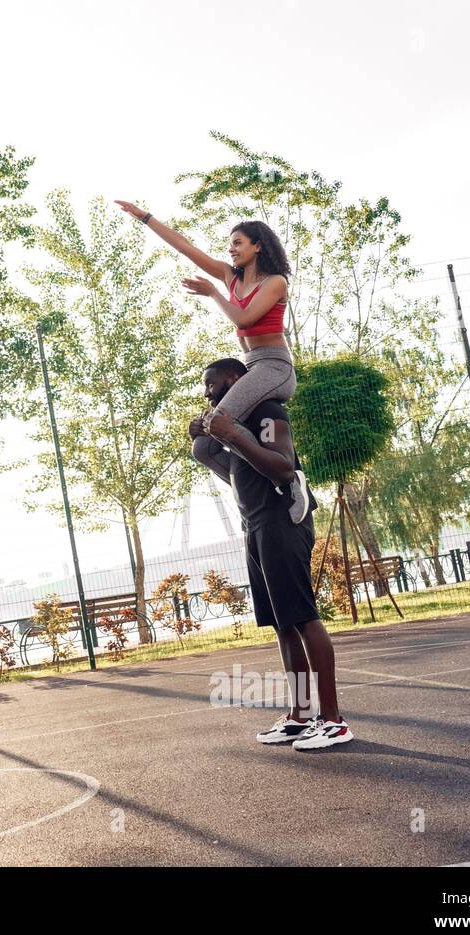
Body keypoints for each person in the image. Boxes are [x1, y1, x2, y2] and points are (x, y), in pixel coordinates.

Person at [193, 358, 353, 750]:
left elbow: (281, 469)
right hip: (256, 526)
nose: (206, 394)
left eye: (211, 385)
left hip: (283, 520)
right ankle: (300, 716)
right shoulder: (239, 423)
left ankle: (334, 720)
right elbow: (236, 467)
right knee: (283, 623)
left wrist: (232, 432)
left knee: (302, 617)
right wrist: (208, 440)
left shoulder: (267, 409)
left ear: (235, 381)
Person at [115, 201, 307, 523]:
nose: (231, 249)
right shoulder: (231, 276)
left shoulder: (275, 282)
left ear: (257, 246)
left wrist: (214, 295)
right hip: (251, 365)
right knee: (204, 445)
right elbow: (186, 248)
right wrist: (146, 217)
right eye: (230, 244)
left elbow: (245, 317)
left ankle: (289, 481)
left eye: (238, 243)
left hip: (275, 368)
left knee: (220, 421)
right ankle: (250, 489)